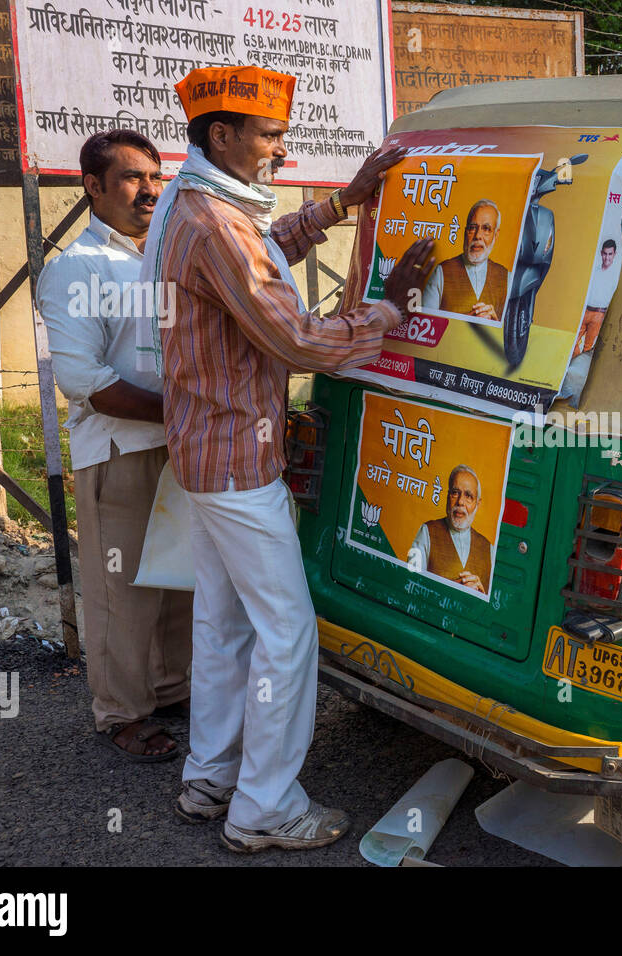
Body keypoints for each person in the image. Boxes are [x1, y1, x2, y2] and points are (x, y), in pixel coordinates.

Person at [140, 64, 433, 852]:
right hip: (238, 454)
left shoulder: (192, 201)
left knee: (224, 619)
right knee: (288, 631)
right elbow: (297, 338)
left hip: (204, 447)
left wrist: (344, 203)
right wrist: (388, 309)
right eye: (267, 135)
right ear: (222, 135)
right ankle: (263, 807)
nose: (278, 146)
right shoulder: (214, 224)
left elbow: (266, 247)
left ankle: (211, 776)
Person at [35, 129, 193, 763]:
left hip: (178, 448)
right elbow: (85, 381)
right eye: (132, 178)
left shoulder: (163, 257)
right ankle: (121, 714)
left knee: (179, 579)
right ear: (93, 187)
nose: (149, 189)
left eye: (156, 177)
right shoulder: (76, 267)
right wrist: (181, 415)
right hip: (120, 451)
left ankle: (170, 689)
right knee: (121, 591)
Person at [407, 465, 491, 594]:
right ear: (448, 497)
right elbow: (410, 583)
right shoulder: (427, 532)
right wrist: (450, 587)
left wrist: (481, 593)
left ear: (477, 504)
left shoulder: (488, 548)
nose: (460, 502)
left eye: (468, 496)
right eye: (455, 493)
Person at [420, 200, 508, 320]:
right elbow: (423, 325)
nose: (478, 235)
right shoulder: (441, 272)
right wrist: (463, 322)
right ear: (465, 232)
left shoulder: (507, 278)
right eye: (473, 228)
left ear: (496, 235)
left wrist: (495, 322)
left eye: (486, 229)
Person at [575, 238, 619, 358]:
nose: (607, 257)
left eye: (610, 254)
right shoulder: (595, 272)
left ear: (614, 254)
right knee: (573, 342)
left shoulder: (615, 277)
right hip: (586, 311)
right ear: (601, 253)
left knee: (588, 348)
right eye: (605, 253)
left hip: (599, 314)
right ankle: (575, 363)